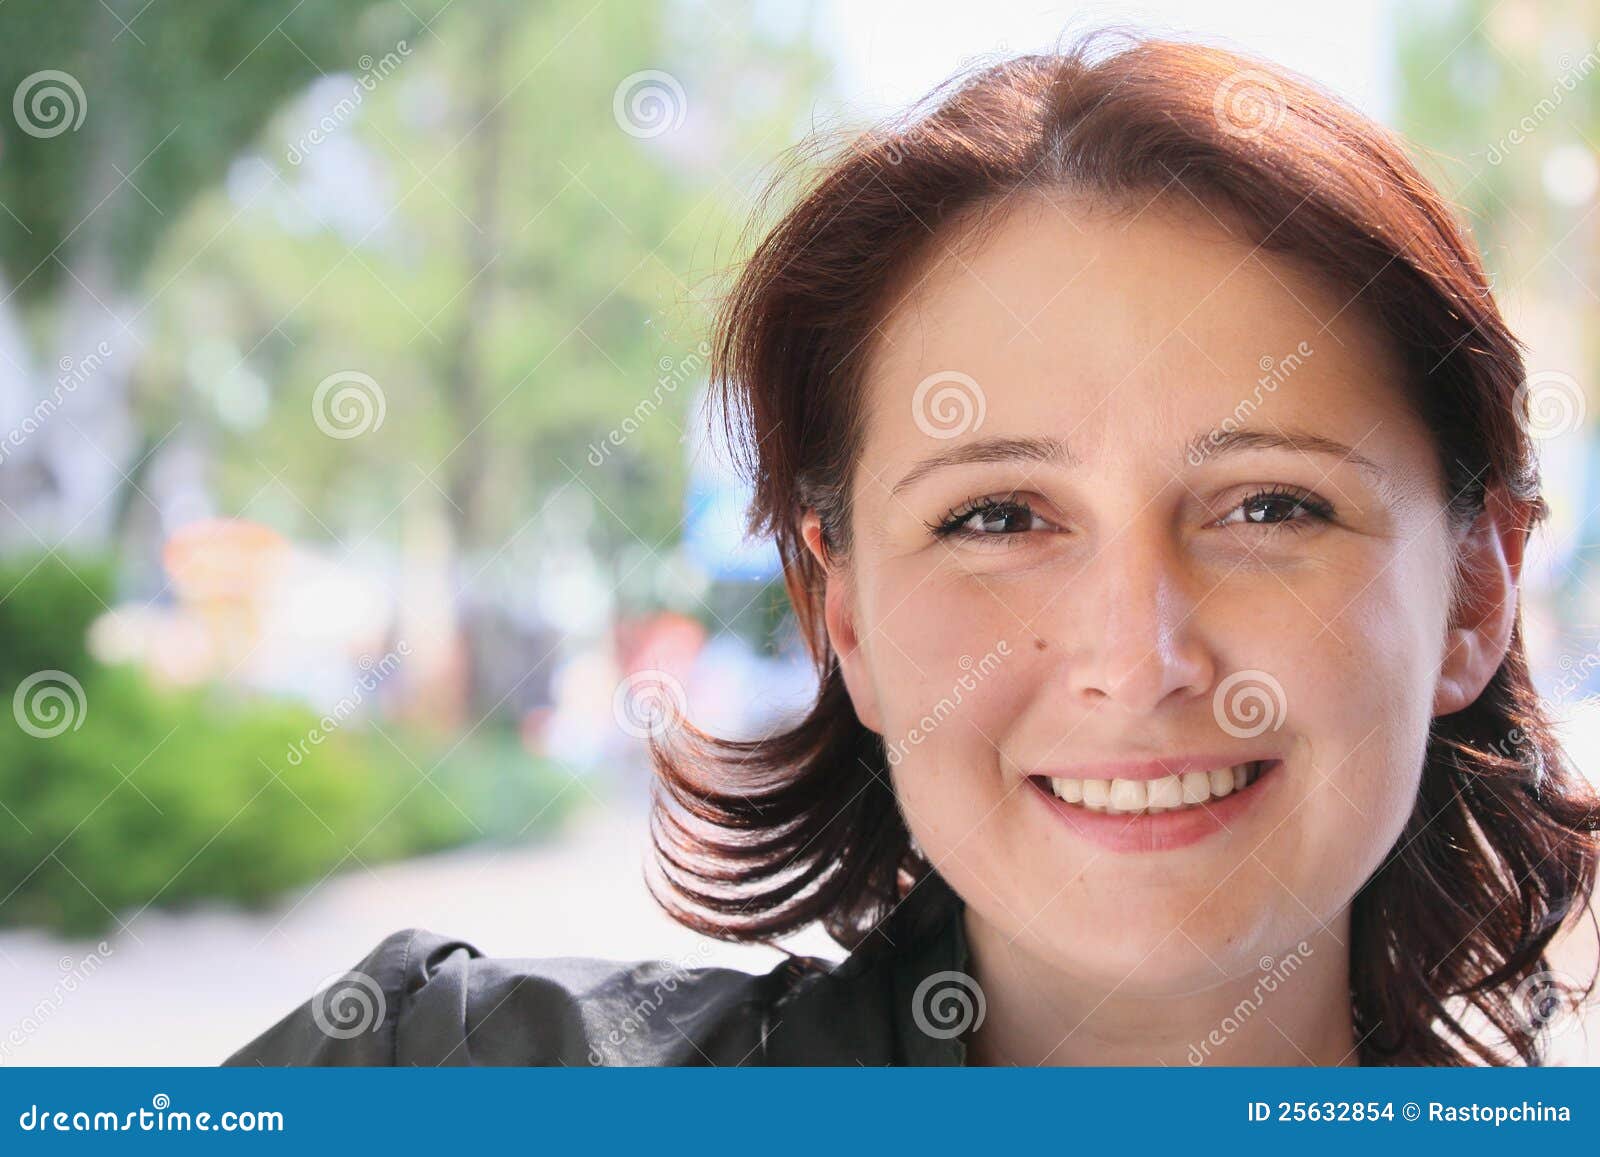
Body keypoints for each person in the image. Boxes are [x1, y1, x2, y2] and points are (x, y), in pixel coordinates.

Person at [227, 30, 1599, 1068]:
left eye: (1270, 506)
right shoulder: (433, 1075)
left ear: (1478, 587)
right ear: (847, 615)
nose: (1138, 657)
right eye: (996, 516)